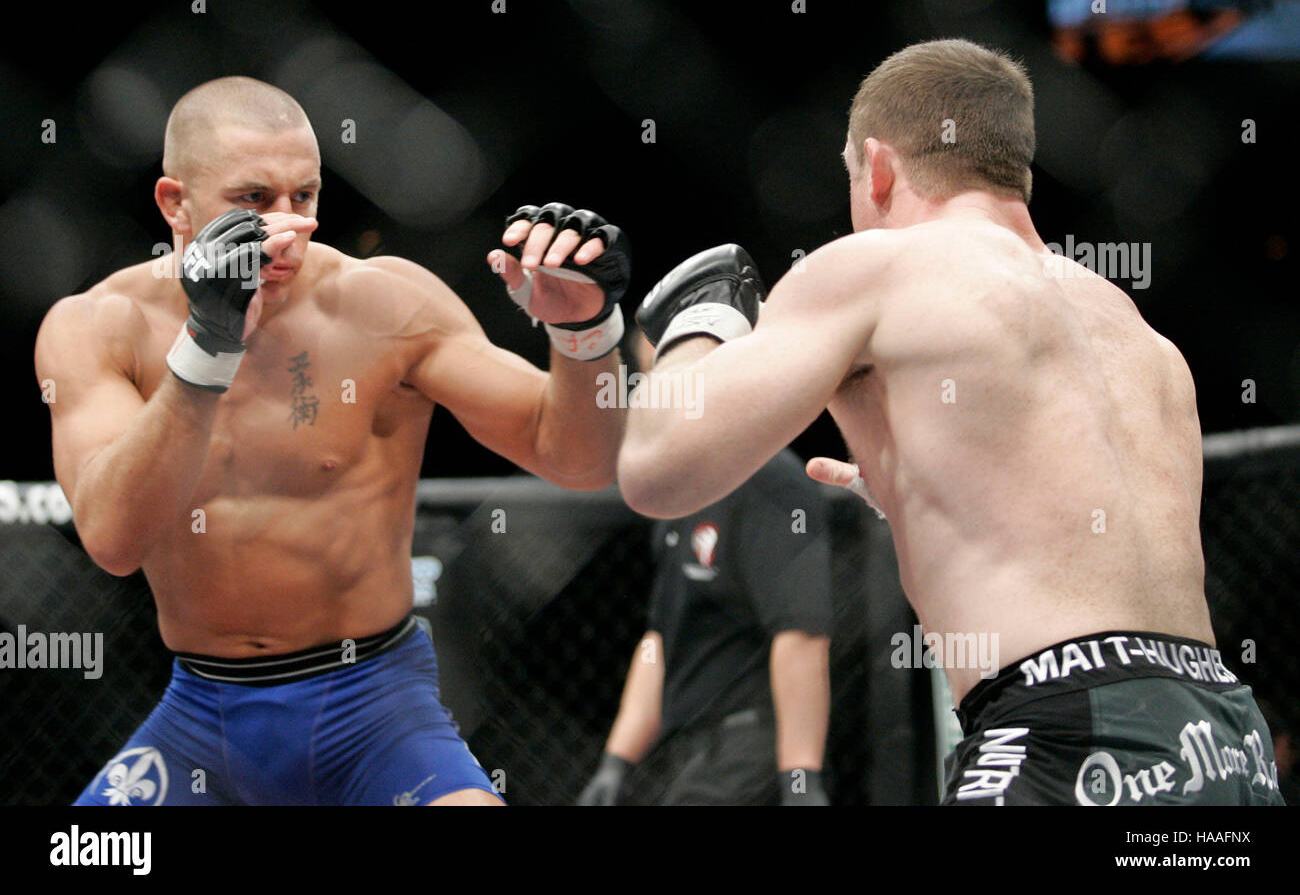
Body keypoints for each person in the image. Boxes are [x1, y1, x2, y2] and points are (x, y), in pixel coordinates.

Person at [617, 40, 1285, 805]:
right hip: (1227, 740)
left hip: (1068, 736)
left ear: (876, 167)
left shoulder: (879, 267)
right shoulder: (1135, 332)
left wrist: (697, 323)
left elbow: (655, 469)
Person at [34, 76, 630, 805]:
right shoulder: (99, 325)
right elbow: (112, 538)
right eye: (253, 200)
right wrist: (205, 351)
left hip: (377, 712)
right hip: (202, 722)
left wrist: (583, 336)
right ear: (174, 203)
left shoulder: (384, 304)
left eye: (305, 197)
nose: (287, 227)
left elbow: (577, 458)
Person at [580, 334, 832, 806]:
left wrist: (801, 777)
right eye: (649, 372)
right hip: (690, 748)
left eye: (670, 371)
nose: (653, 390)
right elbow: (659, 637)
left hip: (751, 749)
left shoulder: (770, 481)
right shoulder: (679, 487)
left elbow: (801, 635)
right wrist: (615, 763)